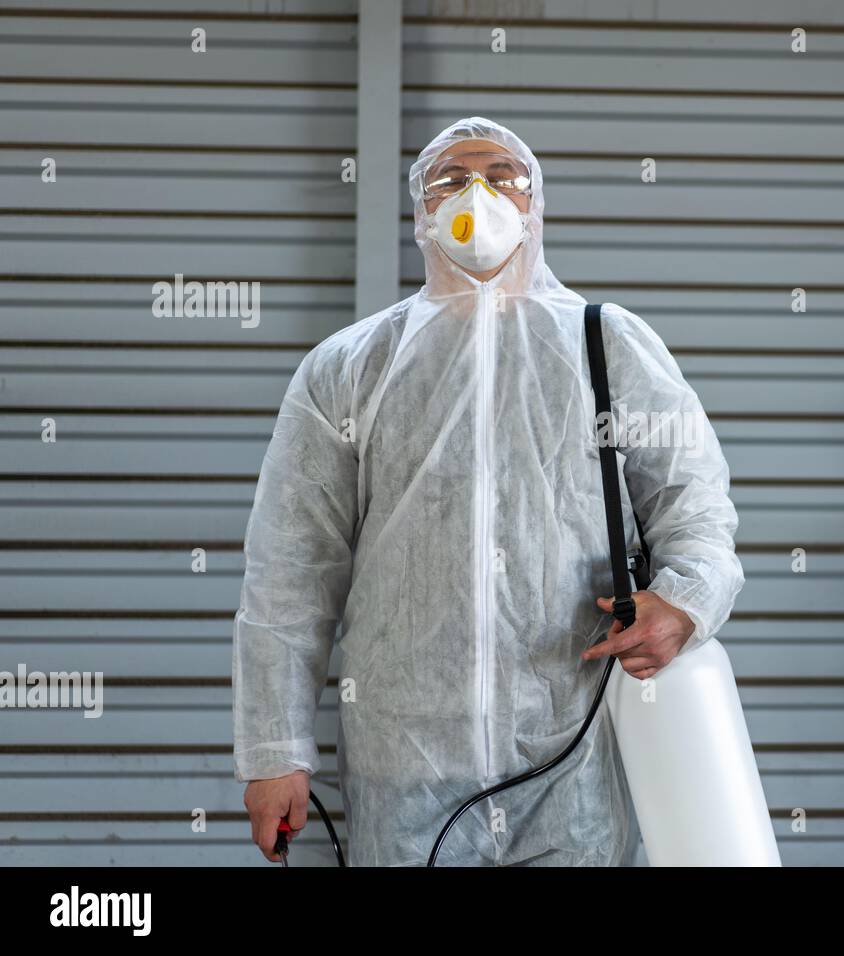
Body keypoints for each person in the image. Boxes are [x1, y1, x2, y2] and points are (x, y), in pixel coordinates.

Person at [232, 117, 744, 866]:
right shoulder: (348, 369)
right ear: (420, 212)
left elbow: (695, 506)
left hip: (574, 762)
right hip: (405, 769)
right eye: (451, 178)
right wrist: (275, 750)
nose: (479, 192)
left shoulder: (608, 345)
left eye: (504, 175)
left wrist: (689, 600)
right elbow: (289, 571)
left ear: (536, 205)